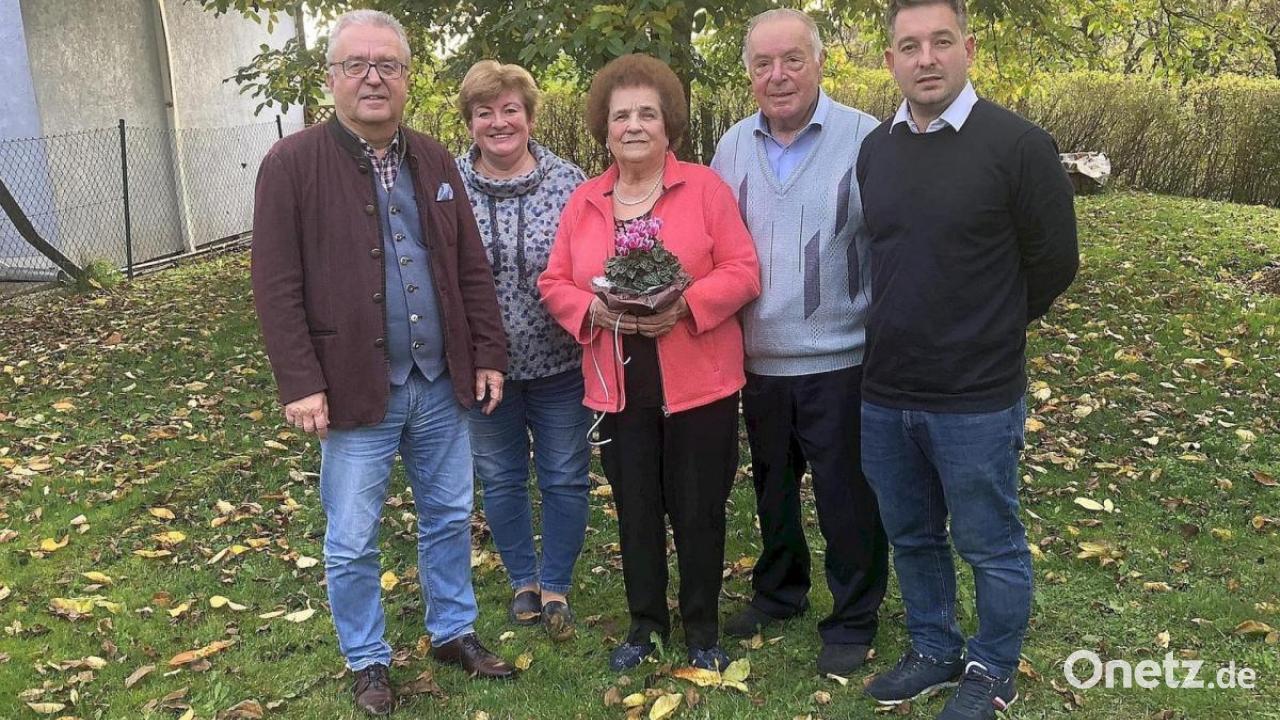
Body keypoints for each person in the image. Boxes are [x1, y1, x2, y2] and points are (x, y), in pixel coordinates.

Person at [251, 10, 517, 716]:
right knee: (349, 537)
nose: (373, 77)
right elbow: (275, 285)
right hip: (350, 388)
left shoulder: (434, 160)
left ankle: (452, 631)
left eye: (388, 66)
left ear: (405, 78)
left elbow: (468, 267)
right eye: (356, 65)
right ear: (332, 77)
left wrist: (487, 352)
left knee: (449, 515)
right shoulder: (291, 164)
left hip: (437, 382)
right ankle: (367, 659)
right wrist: (301, 381)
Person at [855, 1, 1078, 718]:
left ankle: (993, 666)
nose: (926, 58)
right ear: (889, 59)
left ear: (968, 49)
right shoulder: (876, 149)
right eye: (909, 46)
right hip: (886, 389)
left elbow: (1054, 263)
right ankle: (933, 647)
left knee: (989, 542)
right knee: (912, 534)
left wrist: (989, 328)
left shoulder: (1018, 145)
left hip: (977, 396)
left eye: (940, 42)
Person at [538, 54, 761, 672]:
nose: (633, 125)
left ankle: (702, 629)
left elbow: (743, 270)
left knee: (698, 510)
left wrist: (686, 306)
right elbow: (555, 281)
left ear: (669, 126)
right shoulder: (585, 201)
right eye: (620, 116)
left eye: (647, 114)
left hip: (699, 380)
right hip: (617, 381)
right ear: (604, 129)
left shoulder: (705, 189)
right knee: (636, 508)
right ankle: (644, 622)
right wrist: (593, 311)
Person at [709, 8, 889, 677]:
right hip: (756, 358)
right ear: (750, 73)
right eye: (762, 63)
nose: (777, 75)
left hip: (841, 356)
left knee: (848, 495)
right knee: (772, 491)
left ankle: (853, 613)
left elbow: (890, 245)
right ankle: (779, 591)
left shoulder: (867, 139)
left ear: (819, 63)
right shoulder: (731, 147)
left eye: (792, 59)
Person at [454, 60, 592, 641]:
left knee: (564, 474)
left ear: (530, 117)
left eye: (510, 109)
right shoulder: (448, 186)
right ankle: (522, 581)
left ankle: (556, 583)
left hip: (560, 363)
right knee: (501, 476)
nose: (499, 121)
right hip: (486, 370)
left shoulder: (570, 183)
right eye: (485, 112)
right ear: (470, 123)